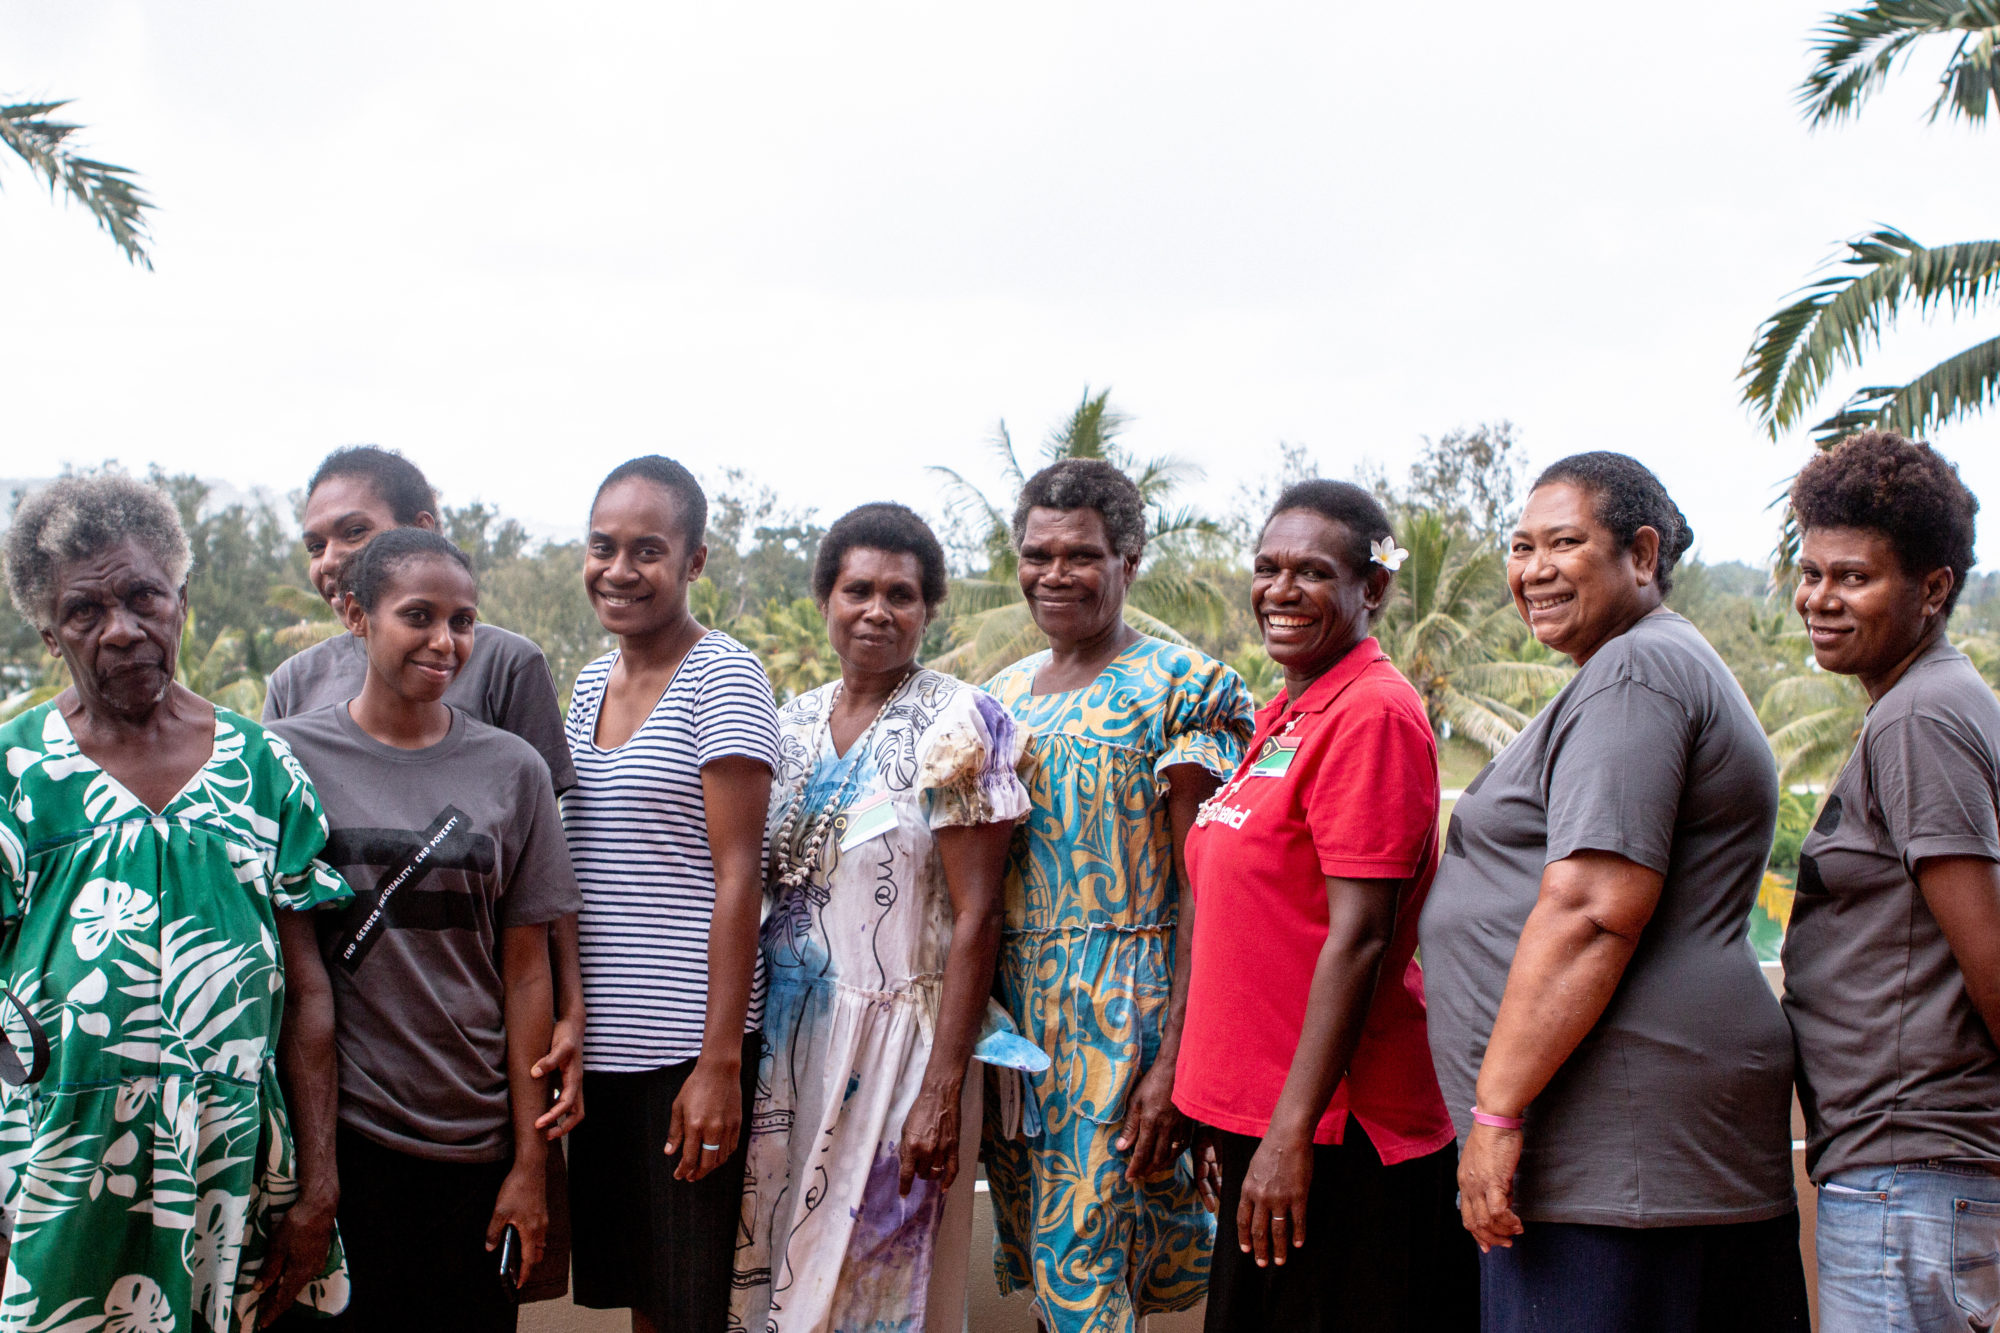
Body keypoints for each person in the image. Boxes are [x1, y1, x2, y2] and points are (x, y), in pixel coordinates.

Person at [1419, 452, 1809, 1332]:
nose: (1534, 569)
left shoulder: (1636, 672)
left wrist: (1494, 1113)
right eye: (1521, 546)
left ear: (1641, 553)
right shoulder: (1645, 664)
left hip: (1620, 1159)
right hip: (1649, 1148)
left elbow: (1593, 909)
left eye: (1564, 543)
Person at [0, 473, 350, 1329]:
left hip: (230, 1162)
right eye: (84, 610)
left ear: (182, 600)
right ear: (49, 633)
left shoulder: (261, 769)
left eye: (143, 596)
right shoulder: (16, 773)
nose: (122, 628)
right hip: (57, 1165)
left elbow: (306, 991)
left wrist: (319, 1185)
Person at [1175, 482, 1475, 1331]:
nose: (1281, 588)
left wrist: (1287, 1133)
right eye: (1267, 567)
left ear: (1372, 586)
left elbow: (1361, 936)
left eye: (1311, 571)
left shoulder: (1373, 714)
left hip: (1339, 1133)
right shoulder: (1290, 711)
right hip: (1272, 1118)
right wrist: (1225, 1111)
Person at [269, 527, 581, 1331]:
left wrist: (530, 1164)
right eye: (418, 615)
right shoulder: (286, 759)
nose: (446, 641)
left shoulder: (514, 770)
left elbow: (526, 973)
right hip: (342, 1143)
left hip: (475, 1147)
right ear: (355, 615)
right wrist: (311, 1176)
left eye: (463, 620)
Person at [730, 503, 1027, 1333]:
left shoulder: (962, 723)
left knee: (878, 1288)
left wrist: (941, 1088)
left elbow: (977, 917)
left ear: (929, 609)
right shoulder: (788, 723)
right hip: (788, 1047)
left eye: (901, 594)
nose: (877, 610)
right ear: (825, 597)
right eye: (857, 589)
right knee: (778, 1278)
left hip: (904, 1052)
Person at [981, 459, 1256, 1333]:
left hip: (1124, 1014)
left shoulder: (1183, 688)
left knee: (1090, 1266)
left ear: (1128, 561)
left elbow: (1206, 887)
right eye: (1038, 554)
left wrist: (1176, 1060)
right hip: (1019, 1030)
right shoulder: (999, 698)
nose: (1054, 573)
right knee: (1051, 1266)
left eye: (1081, 555)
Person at [263, 445, 585, 1146]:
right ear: (360, 615)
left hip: (472, 1044)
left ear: (423, 528)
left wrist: (572, 1009)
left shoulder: (504, 665)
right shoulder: (292, 693)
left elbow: (536, 873)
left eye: (354, 532)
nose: (331, 559)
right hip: (350, 1075)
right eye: (315, 544)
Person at [1778, 431, 2000, 1333]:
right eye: (1811, 572)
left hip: (1911, 1175)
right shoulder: (1932, 700)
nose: (1820, 598)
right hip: (1908, 1173)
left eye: (1854, 577)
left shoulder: (1922, 718)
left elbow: (1989, 951)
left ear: (1933, 589)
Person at [560, 456, 778, 1333]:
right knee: (646, 1298)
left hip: (686, 1051)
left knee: (692, 1305)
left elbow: (740, 876)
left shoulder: (723, 676)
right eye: (603, 546)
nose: (619, 569)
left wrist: (717, 1063)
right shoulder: (588, 684)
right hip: (604, 1056)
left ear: (693, 561)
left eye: (647, 550)